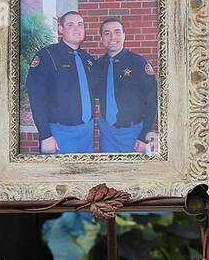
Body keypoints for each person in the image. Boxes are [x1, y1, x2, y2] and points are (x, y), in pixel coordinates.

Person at [25, 10, 98, 154]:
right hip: (59, 133)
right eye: (71, 24)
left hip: (87, 132)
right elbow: (36, 98)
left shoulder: (88, 60)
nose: (77, 28)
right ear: (61, 29)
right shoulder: (46, 56)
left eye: (80, 24)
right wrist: (46, 135)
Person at [90, 17, 158, 153]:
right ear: (101, 38)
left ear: (124, 35)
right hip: (107, 134)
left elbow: (152, 102)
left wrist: (145, 136)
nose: (112, 37)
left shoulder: (139, 64)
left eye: (117, 32)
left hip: (134, 133)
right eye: (107, 33)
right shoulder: (97, 66)